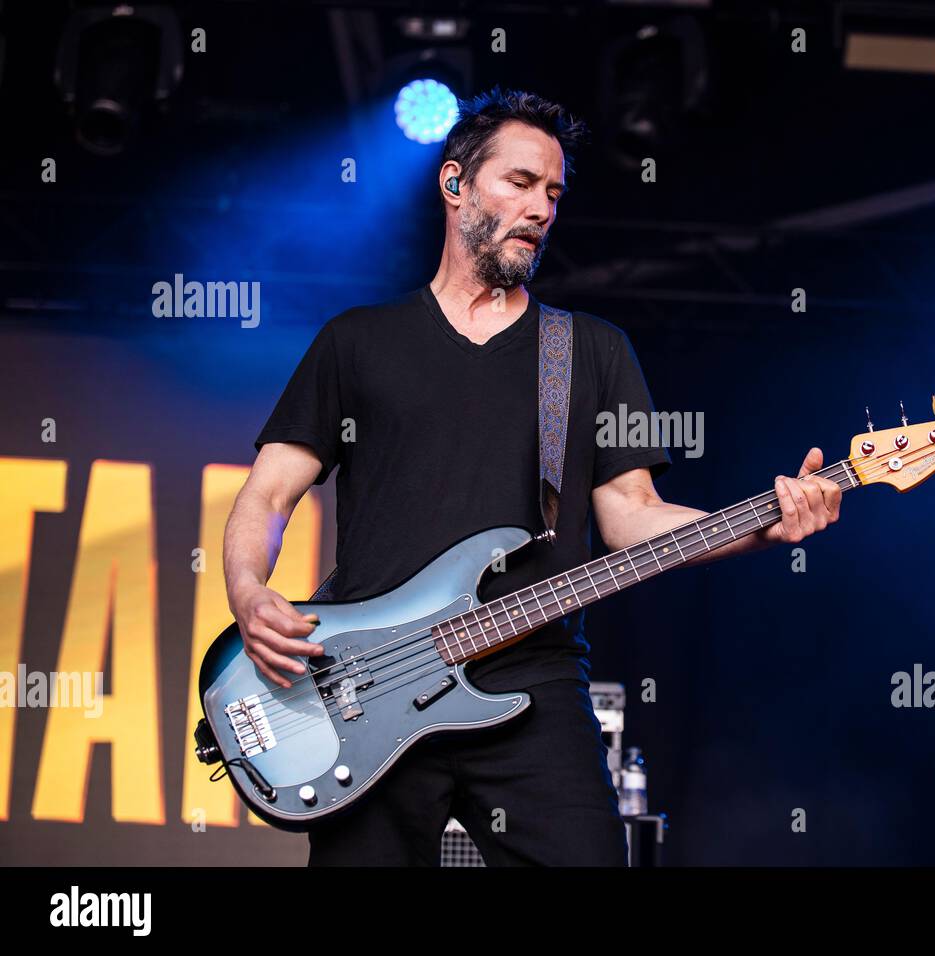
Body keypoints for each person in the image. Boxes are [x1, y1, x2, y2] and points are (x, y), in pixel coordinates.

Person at [222, 86, 842, 866]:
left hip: (533, 684)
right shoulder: (356, 342)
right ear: (455, 185)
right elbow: (267, 493)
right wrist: (248, 591)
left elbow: (632, 518)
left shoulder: (591, 350)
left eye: (553, 192)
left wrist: (764, 526)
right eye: (519, 183)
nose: (542, 207)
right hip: (369, 686)